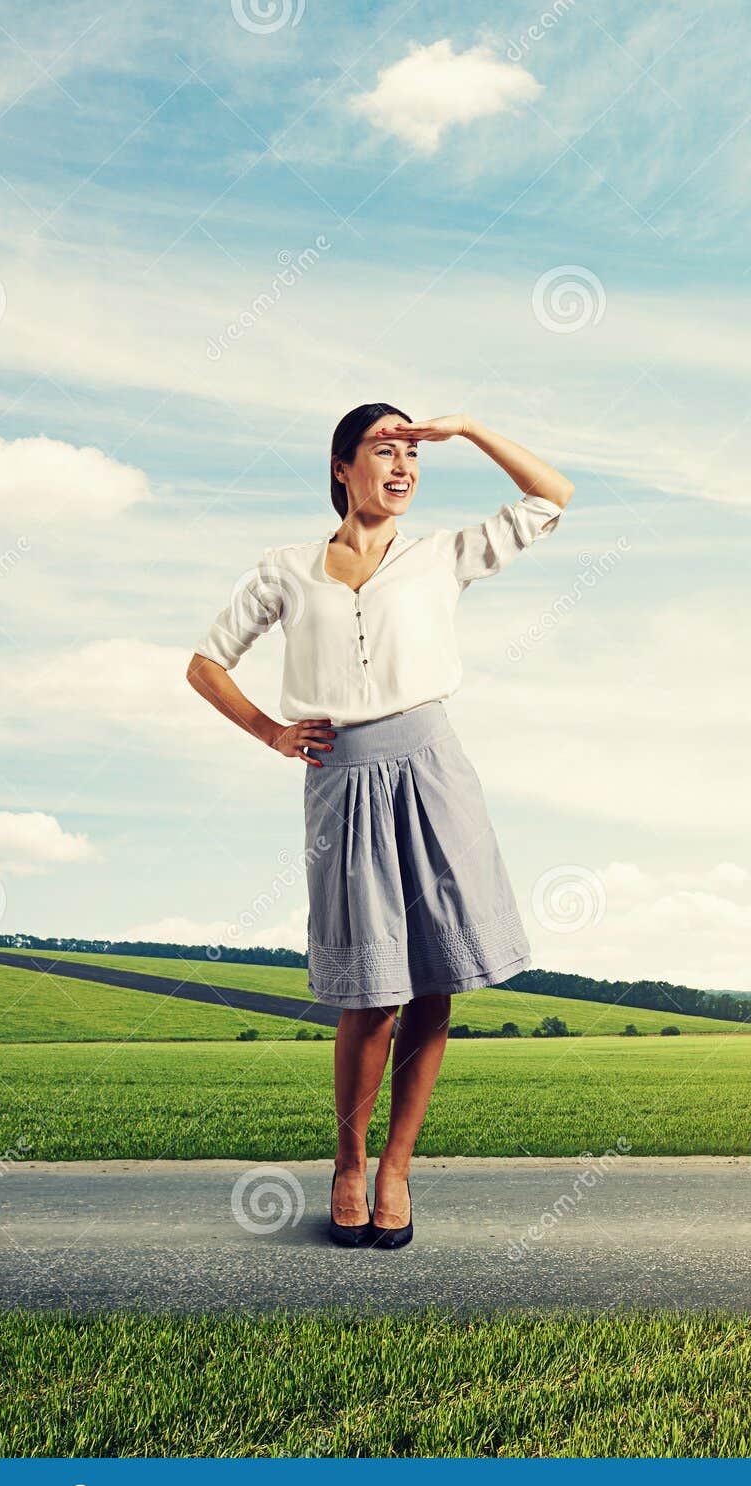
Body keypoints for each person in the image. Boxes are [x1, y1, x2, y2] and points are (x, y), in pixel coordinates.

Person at [186, 404, 574, 1249]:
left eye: (411, 452)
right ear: (341, 466)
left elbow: (552, 496)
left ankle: (399, 1165)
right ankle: (350, 1161)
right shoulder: (287, 569)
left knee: (433, 979)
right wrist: (272, 731)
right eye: (383, 450)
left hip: (434, 768)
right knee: (371, 992)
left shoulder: (441, 555)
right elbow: (205, 663)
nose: (402, 465)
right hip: (342, 780)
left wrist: (470, 429)